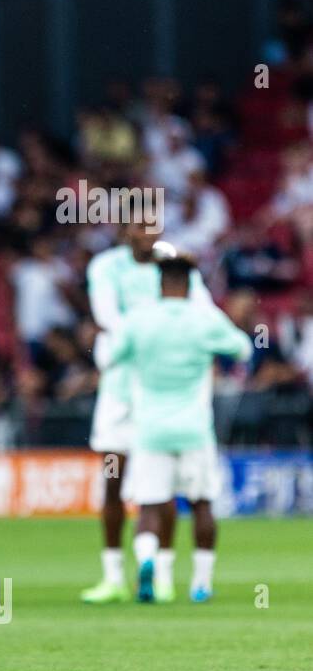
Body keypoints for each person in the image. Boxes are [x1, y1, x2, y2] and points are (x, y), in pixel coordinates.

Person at [101, 254, 252, 603]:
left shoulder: (139, 320)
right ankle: (201, 584)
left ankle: (148, 560)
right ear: (190, 284)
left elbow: (111, 358)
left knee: (151, 506)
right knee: (202, 503)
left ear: (159, 283)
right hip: (194, 428)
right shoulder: (205, 319)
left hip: (150, 427)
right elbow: (243, 349)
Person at [81, 220, 212, 605]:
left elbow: (202, 310)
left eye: (154, 226)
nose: (149, 235)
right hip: (121, 391)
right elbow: (106, 317)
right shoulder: (106, 267)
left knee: (160, 488)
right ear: (125, 230)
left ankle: (163, 574)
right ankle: (112, 577)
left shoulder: (173, 264)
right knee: (112, 477)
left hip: (159, 393)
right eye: (140, 227)